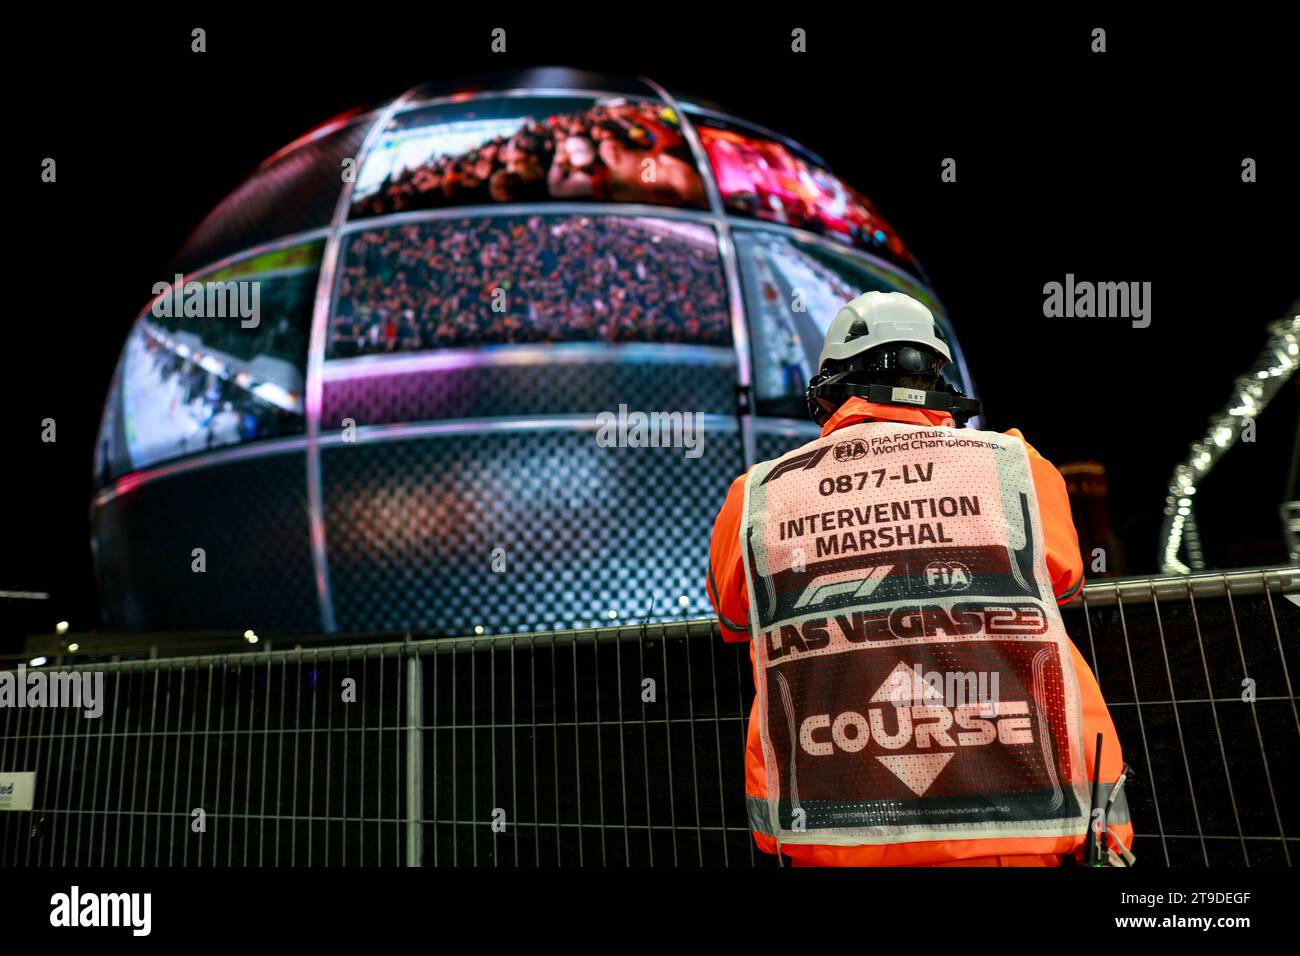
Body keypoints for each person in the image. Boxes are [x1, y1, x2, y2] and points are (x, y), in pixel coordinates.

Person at [707, 290, 1133, 867]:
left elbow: (736, 619)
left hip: (836, 833)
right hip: (1024, 822)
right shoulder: (1015, 466)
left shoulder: (757, 494)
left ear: (830, 386)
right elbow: (1061, 586)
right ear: (939, 376)